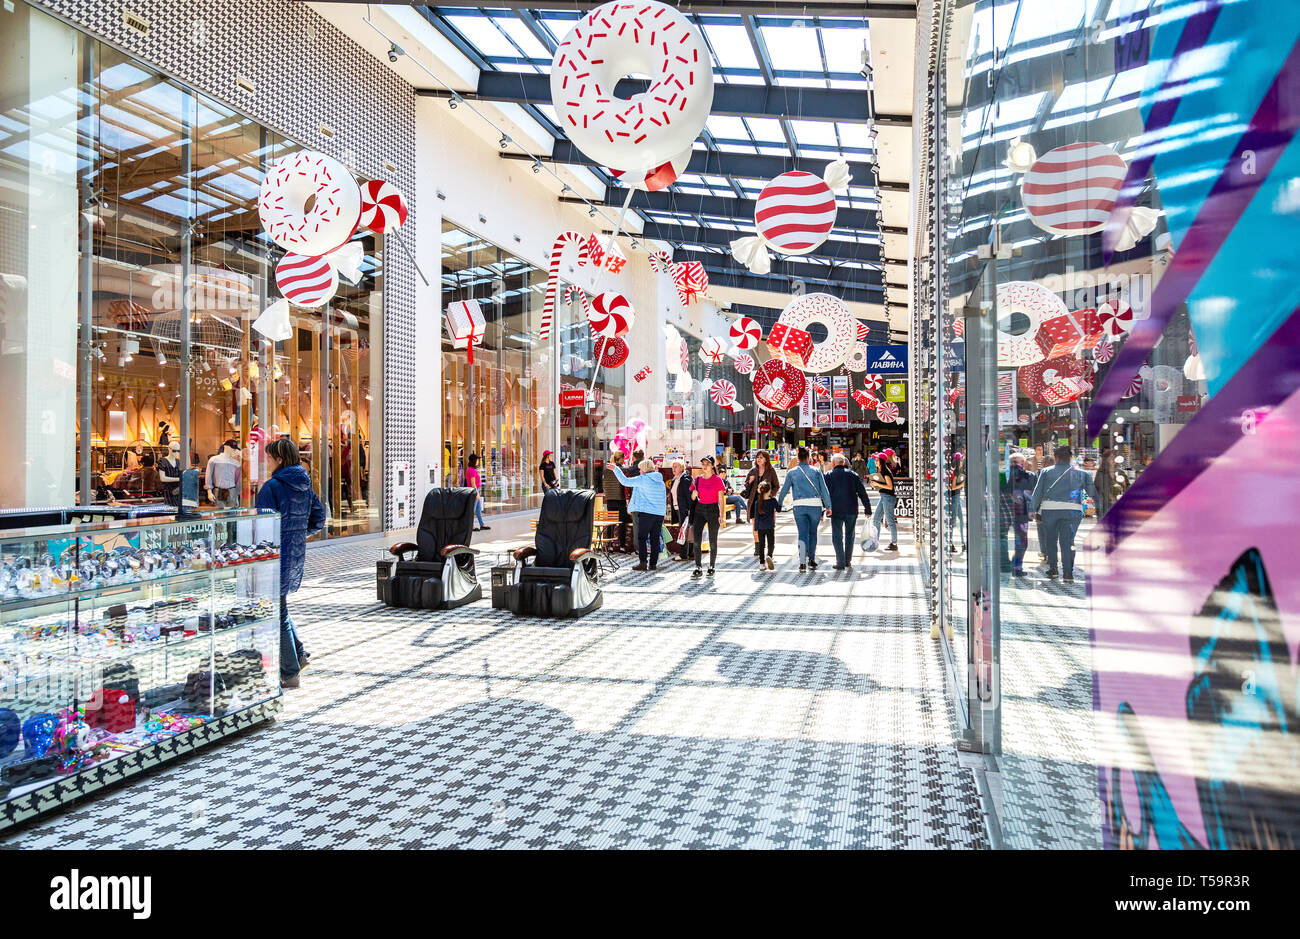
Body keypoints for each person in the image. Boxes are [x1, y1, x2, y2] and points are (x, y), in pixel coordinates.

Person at [255, 437, 326, 689]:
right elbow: (319, 519)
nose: (267, 462)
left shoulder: (271, 488)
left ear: (280, 460)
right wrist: (297, 534)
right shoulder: (305, 486)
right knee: (281, 607)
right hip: (295, 554)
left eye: (270, 457)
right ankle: (299, 654)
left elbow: (261, 529)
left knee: (278, 612)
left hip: (274, 556)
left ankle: (290, 671)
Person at [1030, 445, 1099, 583]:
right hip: (1072, 510)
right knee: (1068, 542)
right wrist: (1100, 509)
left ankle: (1053, 569)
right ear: (1071, 458)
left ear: (1055, 457)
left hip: (1050, 510)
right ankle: (1068, 572)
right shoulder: (1082, 474)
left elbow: (1037, 492)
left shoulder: (1046, 472)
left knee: (1051, 539)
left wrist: (1032, 509)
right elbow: (1093, 494)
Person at [777, 446, 832, 572]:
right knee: (813, 533)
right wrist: (828, 506)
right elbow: (824, 489)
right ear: (808, 457)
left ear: (798, 458)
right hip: (815, 505)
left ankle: (802, 562)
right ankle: (812, 560)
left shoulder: (792, 472)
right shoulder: (816, 471)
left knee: (802, 534)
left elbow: (784, 490)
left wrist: (779, 504)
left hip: (799, 505)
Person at [612, 458, 667, 571]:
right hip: (659, 513)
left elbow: (625, 481)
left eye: (640, 469)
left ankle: (643, 563)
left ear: (645, 469)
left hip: (647, 513)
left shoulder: (643, 479)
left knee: (641, 537)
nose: (639, 471)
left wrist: (615, 469)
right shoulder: (660, 481)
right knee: (654, 539)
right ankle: (653, 564)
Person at [825, 453, 872, 570]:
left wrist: (824, 508)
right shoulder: (854, 475)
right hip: (851, 510)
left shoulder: (828, 475)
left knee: (837, 536)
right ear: (844, 463)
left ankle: (840, 562)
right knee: (850, 535)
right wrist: (868, 508)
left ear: (833, 464)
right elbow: (862, 493)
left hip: (836, 510)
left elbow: (824, 494)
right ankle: (847, 561)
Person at [689, 455, 726, 577]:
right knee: (696, 541)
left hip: (713, 510)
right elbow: (693, 498)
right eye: (703, 464)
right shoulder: (697, 479)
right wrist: (694, 494)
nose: (704, 466)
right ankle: (698, 566)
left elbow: (721, 499)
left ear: (712, 466)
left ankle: (711, 566)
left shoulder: (717, 480)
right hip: (699, 510)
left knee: (713, 541)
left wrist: (721, 514)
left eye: (707, 464)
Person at [1008, 452, 1036, 577]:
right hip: (1017, 513)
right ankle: (1016, 567)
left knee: (1021, 541)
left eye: (1016, 462)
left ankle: (1014, 565)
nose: (1015, 465)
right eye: (1013, 462)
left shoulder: (1006, 475)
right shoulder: (1028, 475)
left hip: (1016, 513)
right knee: (1021, 541)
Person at [870, 448, 899, 552]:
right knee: (876, 519)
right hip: (884, 497)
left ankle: (894, 543)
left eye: (877, 460)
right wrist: (875, 485)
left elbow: (890, 487)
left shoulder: (886, 472)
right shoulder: (881, 472)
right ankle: (875, 541)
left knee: (890, 521)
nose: (875, 461)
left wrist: (877, 484)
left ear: (881, 461)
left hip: (888, 498)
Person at [602, 452, 632, 552]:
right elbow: (625, 485)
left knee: (611, 523)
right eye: (623, 458)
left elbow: (603, 483)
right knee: (622, 523)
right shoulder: (623, 470)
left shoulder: (606, 470)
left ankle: (610, 545)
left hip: (610, 499)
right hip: (620, 499)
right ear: (621, 459)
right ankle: (622, 546)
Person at [668, 459, 695, 562]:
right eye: (673, 466)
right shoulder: (675, 478)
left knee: (684, 531)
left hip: (685, 509)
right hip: (678, 508)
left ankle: (684, 554)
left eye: (676, 466)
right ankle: (691, 553)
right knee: (686, 530)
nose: (673, 468)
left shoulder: (686, 478)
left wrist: (689, 510)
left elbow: (689, 496)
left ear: (682, 468)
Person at [750, 480, 777, 571]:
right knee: (771, 544)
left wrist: (755, 528)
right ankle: (769, 555)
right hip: (770, 526)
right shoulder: (773, 501)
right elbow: (779, 509)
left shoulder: (758, 502)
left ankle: (762, 564)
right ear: (769, 491)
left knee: (761, 545)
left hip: (761, 527)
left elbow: (756, 517)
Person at [206, 439, 242, 508]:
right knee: (220, 514)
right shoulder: (214, 460)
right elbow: (208, 476)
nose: (234, 450)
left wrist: (236, 496)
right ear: (226, 447)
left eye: (235, 448)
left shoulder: (236, 463)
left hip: (232, 491)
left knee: (232, 514)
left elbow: (237, 481)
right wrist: (209, 492)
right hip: (219, 490)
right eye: (232, 448)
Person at [947, 452, 966, 553]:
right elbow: (953, 487)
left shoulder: (958, 471)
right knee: (953, 522)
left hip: (956, 497)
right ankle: (950, 543)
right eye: (961, 460)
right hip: (955, 498)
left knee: (961, 521)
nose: (962, 462)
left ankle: (963, 543)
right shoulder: (955, 472)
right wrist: (962, 484)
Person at [465, 452, 489, 531]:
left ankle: (482, 524)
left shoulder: (471, 469)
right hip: (474, 491)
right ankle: (470, 526)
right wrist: (477, 494)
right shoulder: (472, 470)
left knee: (478, 509)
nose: (478, 461)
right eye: (477, 459)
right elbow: (473, 483)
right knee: (472, 509)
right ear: (474, 461)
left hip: (475, 490)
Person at [158, 440, 183, 507]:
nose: (176, 453)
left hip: (177, 491)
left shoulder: (178, 462)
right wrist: (179, 479)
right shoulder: (163, 461)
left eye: (178, 451)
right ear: (169, 449)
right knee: (169, 510)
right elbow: (162, 478)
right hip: (167, 492)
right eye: (174, 450)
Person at [1093, 448, 1117, 518]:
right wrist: (1111, 498)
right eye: (1111, 459)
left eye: (1114, 459)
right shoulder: (1101, 473)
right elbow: (1101, 489)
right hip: (1105, 505)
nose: (1114, 461)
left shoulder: (1118, 473)